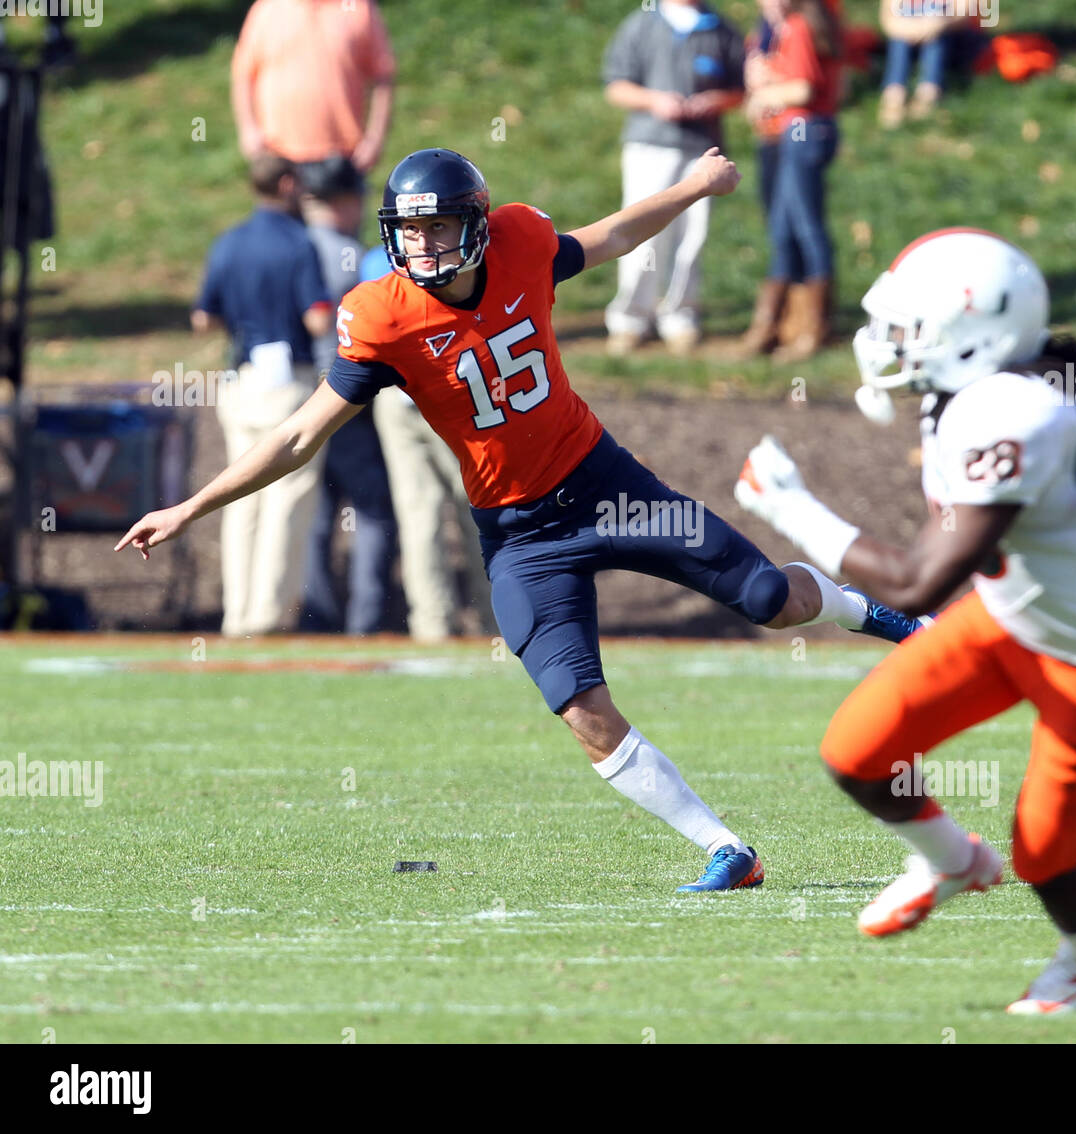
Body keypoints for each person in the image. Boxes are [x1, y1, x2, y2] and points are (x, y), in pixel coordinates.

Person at [117, 146, 926, 891]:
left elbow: (610, 237)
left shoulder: (521, 241)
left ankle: (893, 621)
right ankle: (726, 849)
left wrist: (695, 185)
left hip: (604, 482)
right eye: (411, 232)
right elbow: (297, 433)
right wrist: (191, 507)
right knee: (580, 706)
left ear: (475, 222)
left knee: (767, 600)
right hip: (520, 534)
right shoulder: (383, 315)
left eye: (440, 228)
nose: (426, 248)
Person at [735, 228, 1076, 1013]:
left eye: (912, 326)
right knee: (858, 751)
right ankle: (951, 861)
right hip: (1010, 617)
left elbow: (916, 582)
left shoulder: (1016, 414)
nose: (889, 341)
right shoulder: (975, 392)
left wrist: (790, 508)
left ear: (976, 336)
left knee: (1045, 853)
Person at [192, 153, 333, 638]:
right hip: (287, 383)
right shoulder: (299, 243)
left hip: (241, 380)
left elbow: (202, 319)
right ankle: (268, 617)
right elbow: (317, 319)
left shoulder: (227, 242)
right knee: (286, 499)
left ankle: (238, 614)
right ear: (288, 183)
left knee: (240, 500)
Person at [360, 246, 497, 640]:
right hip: (448, 389)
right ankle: (496, 621)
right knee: (476, 510)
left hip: (398, 393)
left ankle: (433, 625)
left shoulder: (374, 261)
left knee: (421, 513)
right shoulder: (462, 256)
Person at [602, 0, 747, 356]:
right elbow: (615, 85)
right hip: (650, 145)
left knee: (691, 236)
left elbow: (741, 90)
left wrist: (716, 100)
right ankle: (630, 319)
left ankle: (680, 317)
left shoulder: (722, 30)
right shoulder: (641, 23)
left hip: (702, 149)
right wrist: (654, 101)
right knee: (639, 233)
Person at [296, 156, 397, 635]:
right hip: (346, 397)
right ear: (345, 201)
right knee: (373, 509)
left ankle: (316, 618)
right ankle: (366, 620)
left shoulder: (288, 247)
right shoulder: (354, 258)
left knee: (315, 514)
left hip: (297, 396)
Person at [741, 0, 842, 362]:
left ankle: (814, 326)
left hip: (804, 132)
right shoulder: (783, 29)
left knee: (805, 227)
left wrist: (764, 94)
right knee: (784, 229)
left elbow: (803, 90)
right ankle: (777, 323)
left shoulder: (798, 27)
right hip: (793, 134)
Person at [231, 0, 395, 172]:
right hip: (275, 152)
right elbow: (243, 74)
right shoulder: (267, 9)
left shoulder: (358, 7)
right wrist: (248, 129)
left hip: (344, 155)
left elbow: (382, 76)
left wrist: (375, 139)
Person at [877, 0, 971, 129]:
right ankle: (894, 93)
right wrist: (906, 29)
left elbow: (964, 15)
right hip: (905, 35)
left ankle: (928, 91)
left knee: (936, 40)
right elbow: (887, 19)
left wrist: (941, 24)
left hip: (942, 36)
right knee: (899, 41)